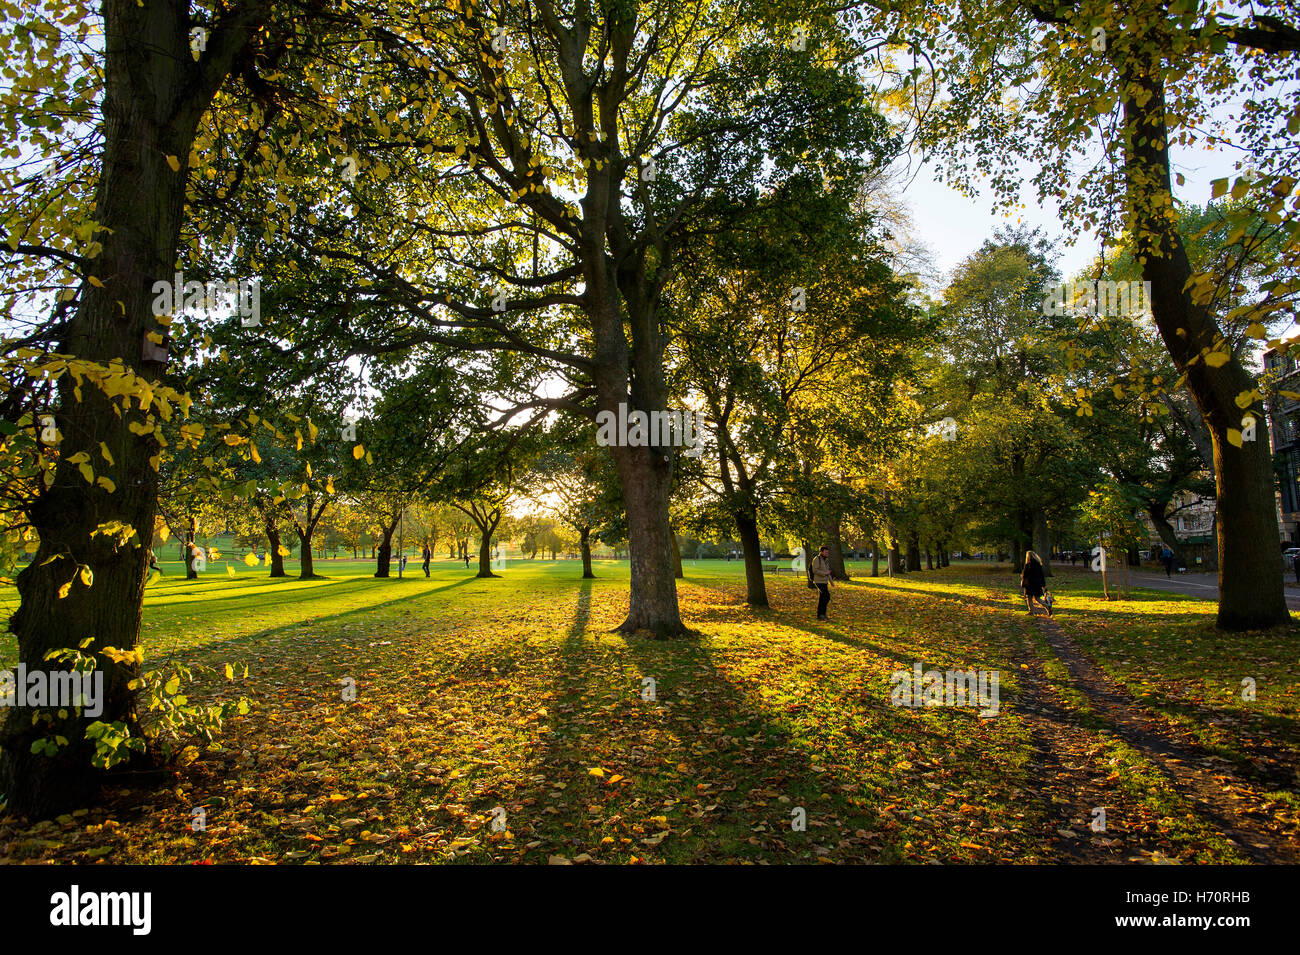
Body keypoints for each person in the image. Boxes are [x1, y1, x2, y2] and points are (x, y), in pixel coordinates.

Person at [1021, 550, 1051, 616]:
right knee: (1037, 598)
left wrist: (1023, 583)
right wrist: (1043, 585)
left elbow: (1025, 575)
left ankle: (1031, 611)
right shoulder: (1038, 564)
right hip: (1037, 584)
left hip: (1030, 584)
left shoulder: (1028, 565)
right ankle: (1047, 606)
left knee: (1029, 598)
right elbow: (1041, 576)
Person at [811, 544, 833, 621]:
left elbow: (828, 572)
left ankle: (821, 615)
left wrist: (831, 582)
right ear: (821, 552)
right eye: (826, 552)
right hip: (818, 581)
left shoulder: (825, 560)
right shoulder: (817, 559)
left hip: (824, 582)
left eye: (828, 552)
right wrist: (824, 574)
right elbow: (815, 570)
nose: (827, 554)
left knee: (823, 597)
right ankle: (821, 614)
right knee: (826, 596)